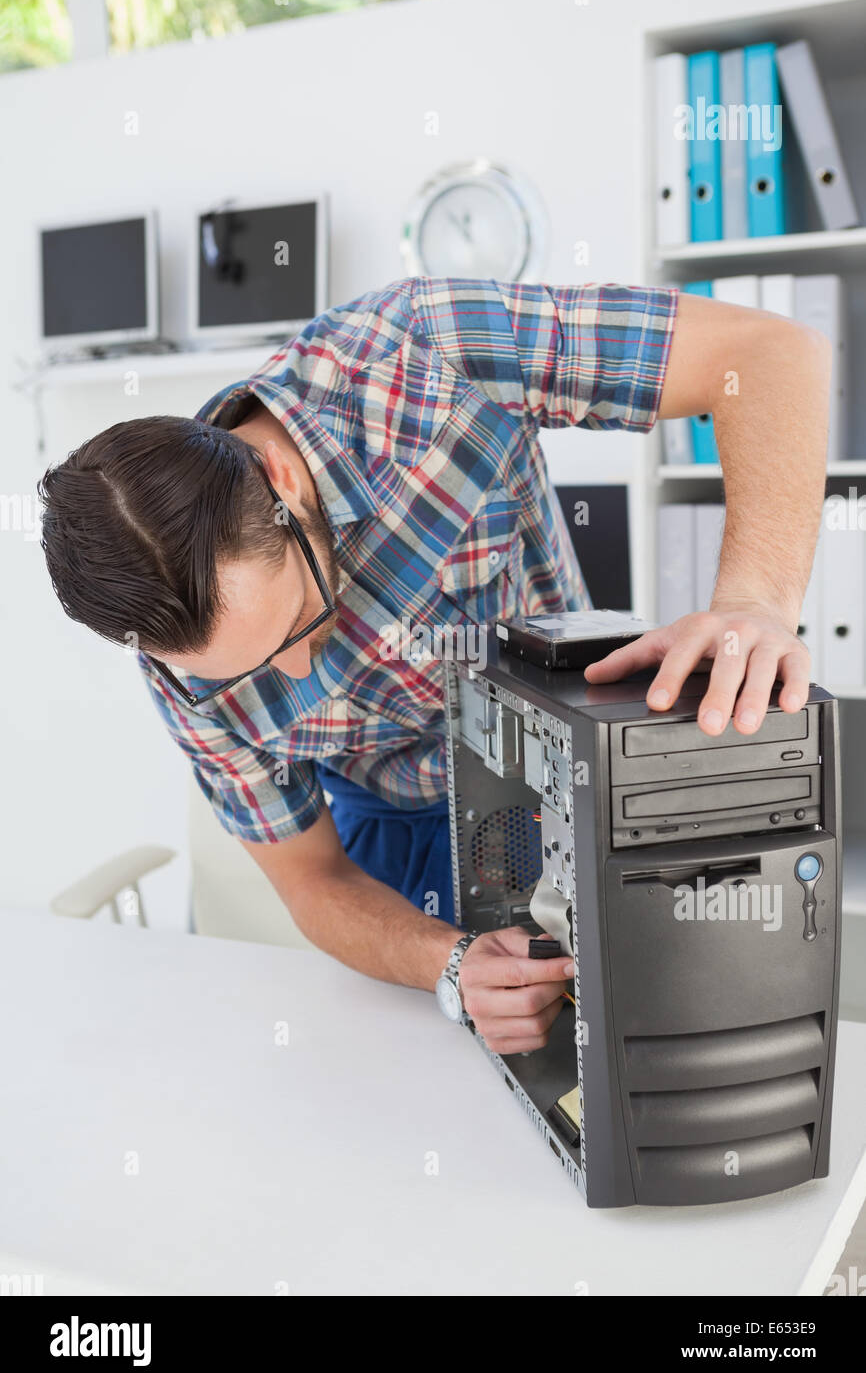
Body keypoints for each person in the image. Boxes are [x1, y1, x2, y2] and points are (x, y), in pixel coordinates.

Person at [39, 276, 830, 1055]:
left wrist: (755, 602)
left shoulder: (423, 351)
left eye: (298, 622)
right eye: (249, 672)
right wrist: (450, 968)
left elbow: (768, 354)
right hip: (395, 841)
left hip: (573, 771)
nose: (306, 664)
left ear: (279, 479)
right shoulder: (180, 669)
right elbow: (312, 881)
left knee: (669, 1051)